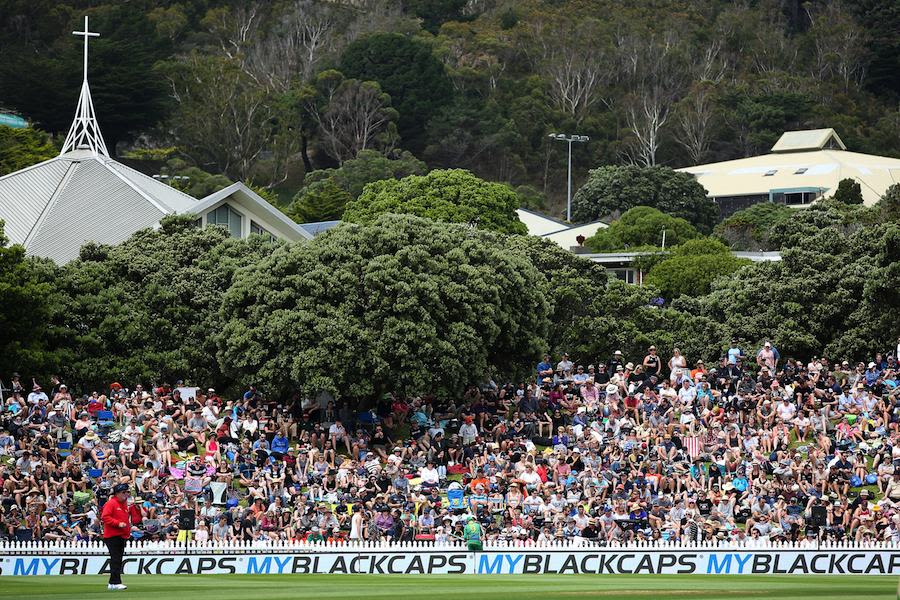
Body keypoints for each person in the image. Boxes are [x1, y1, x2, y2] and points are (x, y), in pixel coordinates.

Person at [100, 483, 132, 591]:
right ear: (117, 493)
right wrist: (118, 524)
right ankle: (115, 582)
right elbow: (105, 517)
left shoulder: (123, 504)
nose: (126, 494)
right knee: (116, 559)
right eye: (124, 492)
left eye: (127, 492)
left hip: (120, 535)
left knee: (117, 559)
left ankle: (113, 582)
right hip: (112, 535)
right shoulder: (111, 503)